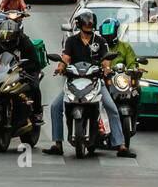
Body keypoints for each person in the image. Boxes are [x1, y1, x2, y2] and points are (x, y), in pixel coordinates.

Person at [44, 12, 135, 158]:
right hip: (74, 81)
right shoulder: (71, 41)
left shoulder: (101, 41)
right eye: (86, 23)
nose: (89, 26)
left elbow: (106, 60)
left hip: (95, 81)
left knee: (112, 108)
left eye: (91, 23)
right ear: (80, 25)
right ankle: (57, 144)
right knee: (55, 107)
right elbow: (66, 58)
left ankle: (121, 145)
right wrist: (61, 67)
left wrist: (106, 69)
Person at [0, 11, 43, 140]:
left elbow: (35, 63)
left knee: (34, 85)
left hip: (25, 69)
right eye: (3, 39)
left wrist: (23, 69)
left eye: (9, 39)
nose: (6, 42)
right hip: (7, 72)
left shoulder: (25, 42)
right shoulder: (0, 44)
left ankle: (38, 113)